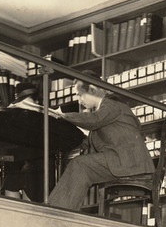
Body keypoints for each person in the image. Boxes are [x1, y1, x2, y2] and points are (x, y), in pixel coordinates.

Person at [47, 74, 155, 212]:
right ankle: (59, 209)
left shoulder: (112, 105)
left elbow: (94, 120)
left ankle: (57, 211)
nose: (80, 101)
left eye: (80, 95)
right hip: (122, 160)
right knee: (79, 164)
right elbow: (92, 137)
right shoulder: (107, 110)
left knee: (80, 164)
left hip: (128, 162)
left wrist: (63, 115)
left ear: (92, 89)